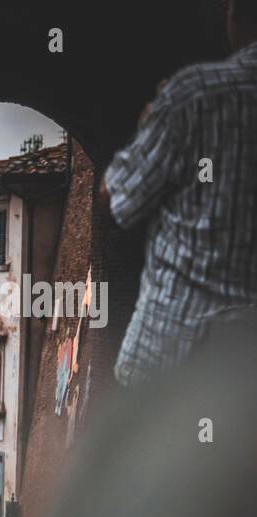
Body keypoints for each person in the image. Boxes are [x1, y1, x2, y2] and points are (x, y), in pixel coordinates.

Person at [98, 0, 257, 386]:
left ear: (234, 12)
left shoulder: (195, 95)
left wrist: (147, 125)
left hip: (169, 365)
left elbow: (113, 201)